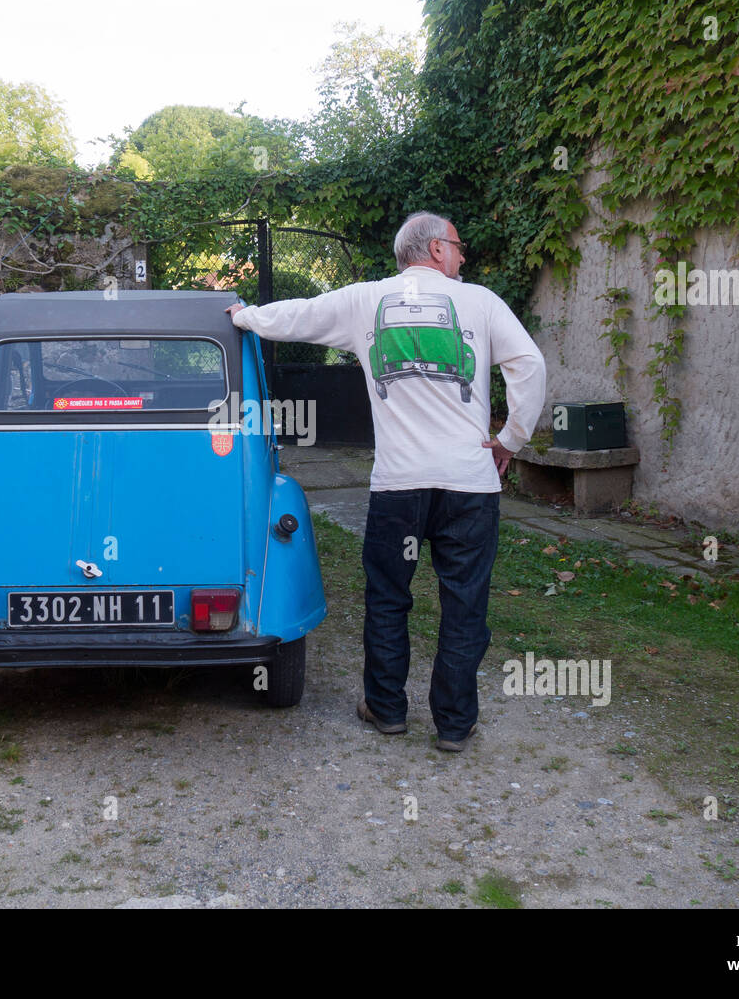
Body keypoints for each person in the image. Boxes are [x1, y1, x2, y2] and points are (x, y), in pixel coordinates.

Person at [226, 212, 546, 752]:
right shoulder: (483, 303)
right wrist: (510, 441)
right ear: (438, 250)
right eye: (459, 245)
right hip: (469, 484)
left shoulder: (364, 301)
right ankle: (453, 722)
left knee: (388, 597)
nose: (464, 256)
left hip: (399, 485)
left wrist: (245, 315)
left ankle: (387, 708)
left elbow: (298, 317)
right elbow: (530, 366)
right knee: (465, 603)